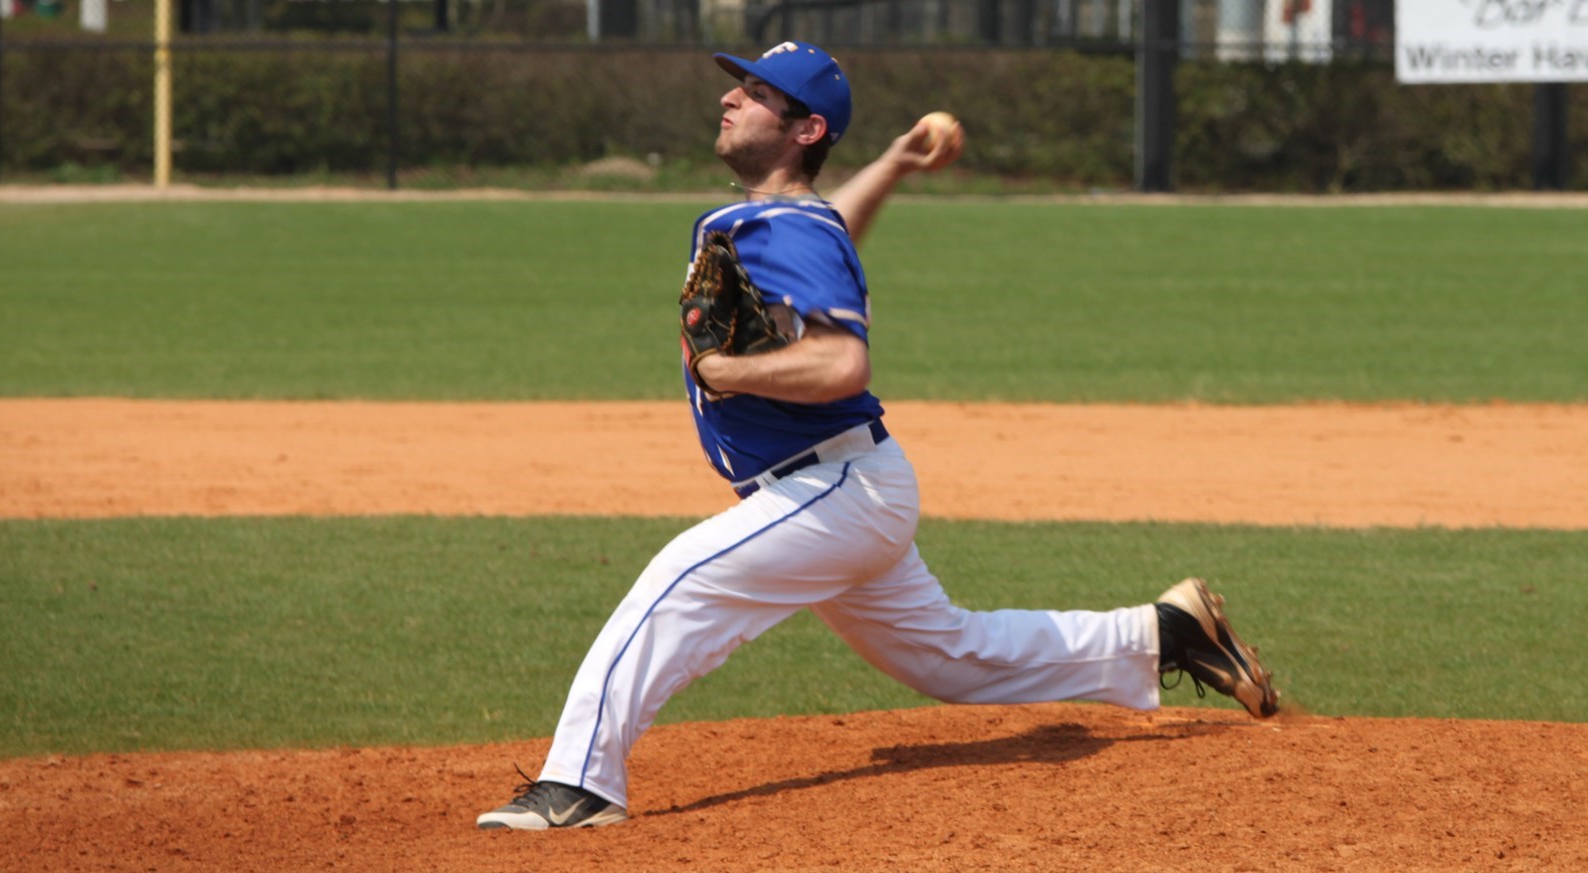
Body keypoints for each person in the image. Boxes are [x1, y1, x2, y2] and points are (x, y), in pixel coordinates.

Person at [476, 41, 1279, 831]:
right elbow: (826, 227)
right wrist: (893, 165)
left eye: (755, 92)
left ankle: (576, 783)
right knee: (950, 657)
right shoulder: (789, 220)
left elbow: (842, 361)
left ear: (806, 130)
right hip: (848, 486)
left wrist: (728, 373)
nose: (729, 98)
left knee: (677, 579)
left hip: (830, 489)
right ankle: (1162, 632)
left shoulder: (783, 226)